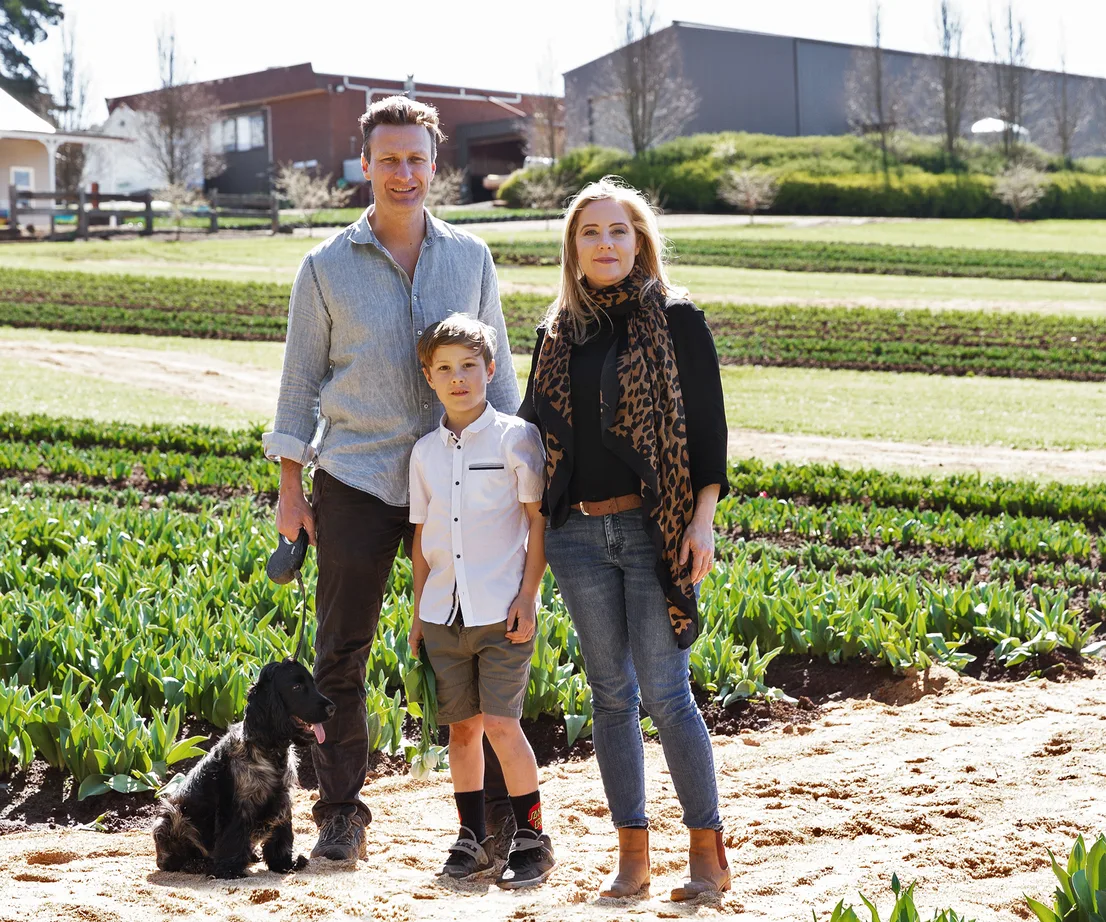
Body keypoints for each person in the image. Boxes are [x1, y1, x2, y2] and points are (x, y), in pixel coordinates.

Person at [263, 95, 518, 863]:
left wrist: (515, 474)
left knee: (477, 644)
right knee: (341, 653)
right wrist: (290, 485)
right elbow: (299, 383)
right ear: (365, 164)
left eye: (417, 159)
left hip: (462, 483)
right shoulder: (325, 267)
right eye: (389, 159)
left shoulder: (471, 258)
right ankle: (341, 812)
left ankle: (498, 820)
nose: (403, 173)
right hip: (359, 479)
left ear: (434, 165)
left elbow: (499, 377)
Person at [518, 177, 731, 901]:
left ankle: (707, 853)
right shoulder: (556, 332)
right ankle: (633, 858)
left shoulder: (677, 320)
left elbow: (708, 436)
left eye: (618, 232)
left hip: (653, 532)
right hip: (577, 534)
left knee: (668, 695)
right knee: (611, 696)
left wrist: (701, 522)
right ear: (572, 248)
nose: (605, 244)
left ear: (640, 243)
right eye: (590, 233)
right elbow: (535, 440)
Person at [407, 315, 556, 889]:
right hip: (443, 614)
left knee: (501, 723)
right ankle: (472, 837)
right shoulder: (424, 454)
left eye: (469, 366)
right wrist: (417, 613)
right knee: (462, 731)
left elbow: (536, 524)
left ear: (491, 369)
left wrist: (529, 596)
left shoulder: (516, 437)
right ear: (429, 378)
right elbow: (422, 540)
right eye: (444, 368)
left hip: (501, 611)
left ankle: (532, 837)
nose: (458, 377)